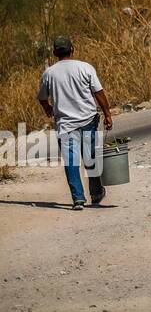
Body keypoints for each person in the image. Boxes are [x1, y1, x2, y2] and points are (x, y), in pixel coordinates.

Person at [36, 36, 114, 209]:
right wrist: (108, 114)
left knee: (71, 161)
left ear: (55, 53)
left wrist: (48, 109)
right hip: (88, 119)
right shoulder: (85, 67)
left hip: (65, 124)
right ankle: (96, 193)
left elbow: (42, 97)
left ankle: (78, 198)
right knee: (90, 157)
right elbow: (98, 92)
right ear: (72, 50)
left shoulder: (49, 73)